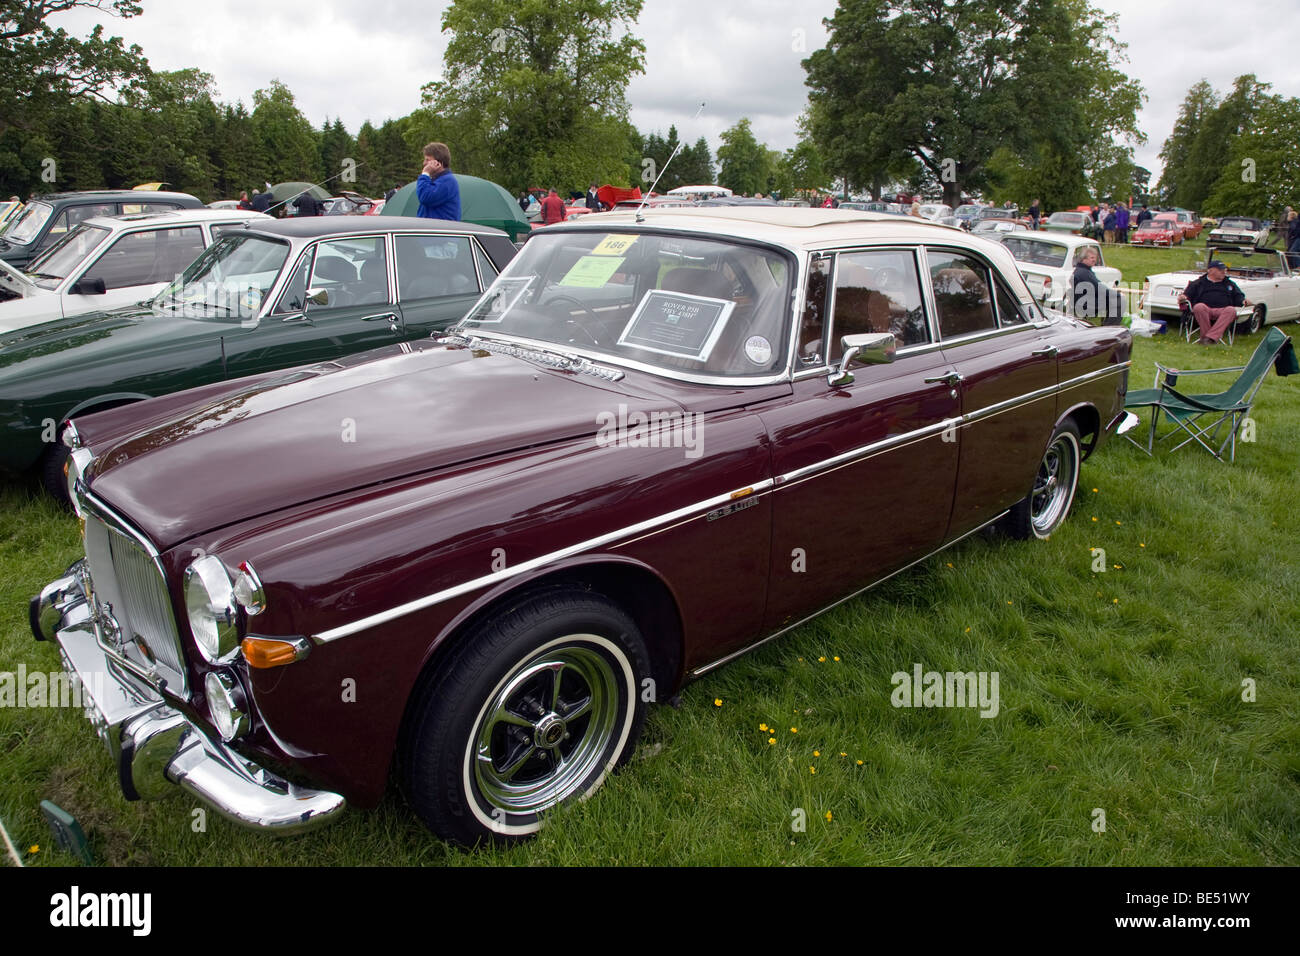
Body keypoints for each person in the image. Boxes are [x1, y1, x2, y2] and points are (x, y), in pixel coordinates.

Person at [1179, 259, 1248, 345]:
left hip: (1222, 310)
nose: (1224, 272)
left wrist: (1243, 301)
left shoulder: (1229, 284)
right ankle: (1209, 339)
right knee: (1199, 306)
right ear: (1210, 271)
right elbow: (1186, 296)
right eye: (1220, 270)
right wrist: (1183, 298)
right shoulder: (1198, 283)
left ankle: (1209, 338)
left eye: (1224, 270)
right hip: (1204, 310)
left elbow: (1238, 296)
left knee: (1231, 310)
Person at [1071, 247, 1123, 325]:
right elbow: (1099, 289)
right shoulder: (1084, 273)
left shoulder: (1083, 270)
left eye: (1095, 258)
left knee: (1113, 298)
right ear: (1084, 259)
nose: (1094, 260)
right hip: (1086, 304)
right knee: (1119, 300)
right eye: (1091, 258)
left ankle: (1107, 324)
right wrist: (1117, 294)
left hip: (1084, 300)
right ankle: (1109, 327)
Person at [416, 142, 461, 221]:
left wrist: (425, 174)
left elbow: (425, 197)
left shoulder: (448, 181)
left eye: (427, 160)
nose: (424, 163)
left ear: (439, 163)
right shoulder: (438, 181)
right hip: (431, 230)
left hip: (440, 231)